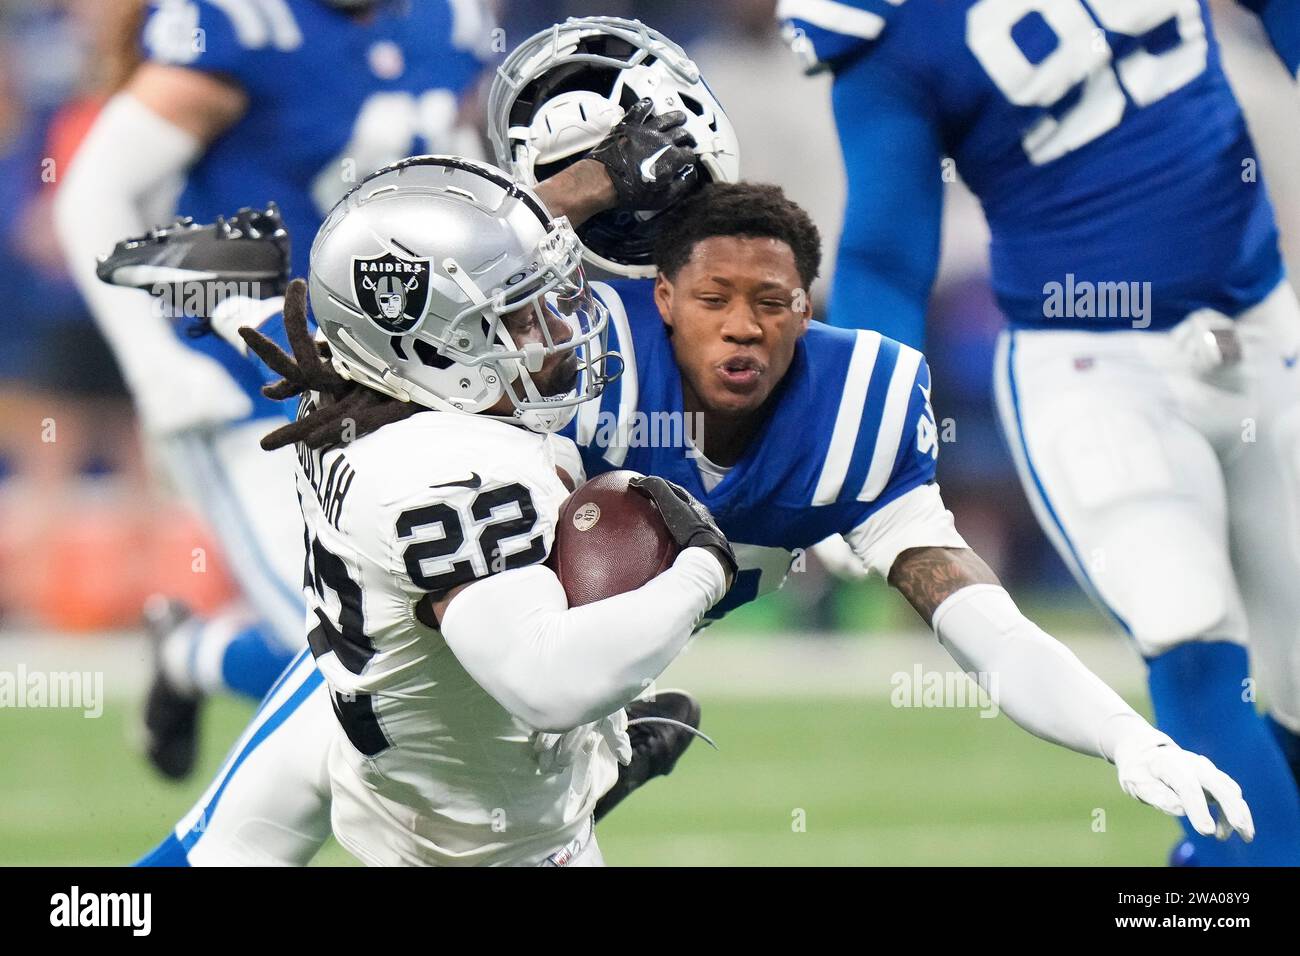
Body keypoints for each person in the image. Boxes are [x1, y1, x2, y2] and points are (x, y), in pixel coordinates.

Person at [133, 176, 1253, 866]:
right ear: (660, 295)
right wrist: (248, 293)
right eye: (711, 297)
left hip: (481, 731)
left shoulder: (847, 417)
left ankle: (597, 754)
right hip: (429, 719)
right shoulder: (545, 377)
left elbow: (985, 623)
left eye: (772, 303)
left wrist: (1127, 734)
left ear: (808, 312)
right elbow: (404, 316)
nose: (742, 327)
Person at [779, 0, 1300, 865]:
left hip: (1265, 326)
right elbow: (886, 251)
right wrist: (864, 434)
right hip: (1095, 375)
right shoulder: (891, 27)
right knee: (1189, 628)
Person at [53, 0, 493, 779]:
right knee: (344, 650)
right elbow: (90, 195)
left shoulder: (447, 19)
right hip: (249, 384)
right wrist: (155, 363)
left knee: (424, 622)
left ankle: (195, 652)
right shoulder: (245, 26)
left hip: (395, 379)